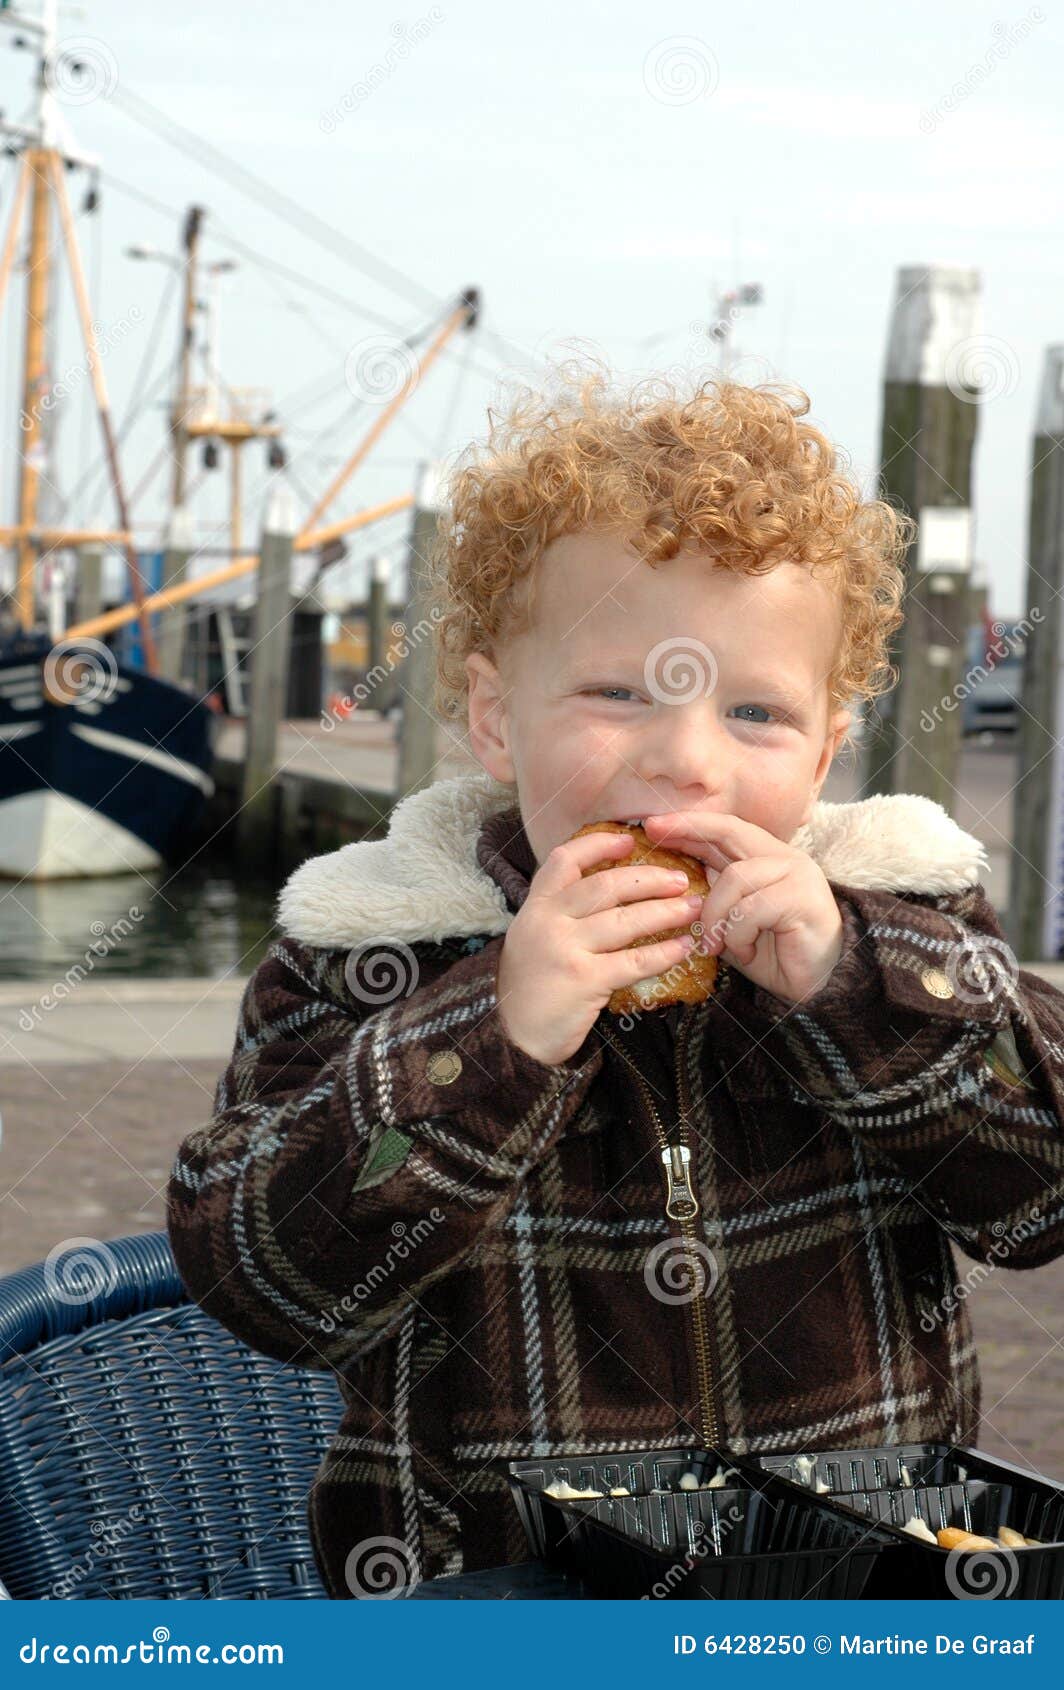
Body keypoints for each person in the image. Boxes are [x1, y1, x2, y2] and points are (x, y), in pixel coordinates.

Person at [167, 363, 1064, 1598]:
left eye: (754, 713)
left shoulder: (905, 915)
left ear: (824, 751)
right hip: (492, 1597)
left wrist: (853, 980)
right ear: (496, 718)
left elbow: (1034, 1203)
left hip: (842, 1584)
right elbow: (265, 1285)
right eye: (614, 692)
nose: (683, 758)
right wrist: (490, 1034)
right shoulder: (366, 951)